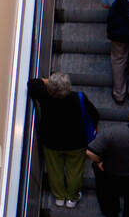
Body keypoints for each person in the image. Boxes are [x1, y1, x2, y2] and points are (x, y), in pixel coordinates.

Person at [30, 72, 100, 207]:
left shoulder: (44, 95)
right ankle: (72, 198)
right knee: (75, 170)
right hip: (76, 142)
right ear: (68, 87)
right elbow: (94, 115)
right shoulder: (78, 97)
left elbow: (32, 83)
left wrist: (47, 81)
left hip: (51, 141)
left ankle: (59, 197)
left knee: (54, 170)